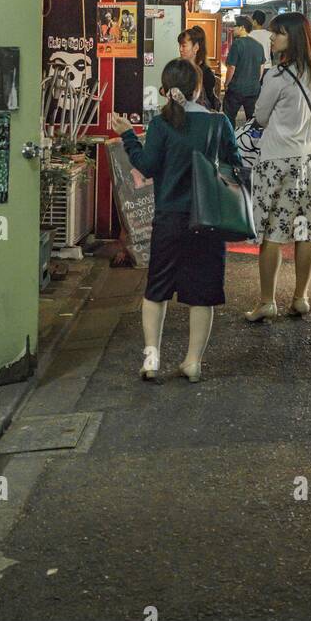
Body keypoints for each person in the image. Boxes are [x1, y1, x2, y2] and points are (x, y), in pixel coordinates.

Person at [111, 59, 241, 383]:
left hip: (169, 218)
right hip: (208, 219)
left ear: (166, 91)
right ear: (198, 88)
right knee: (201, 293)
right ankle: (193, 362)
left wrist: (128, 135)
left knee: (156, 290)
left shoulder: (161, 125)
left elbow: (147, 165)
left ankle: (151, 360)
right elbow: (234, 165)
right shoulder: (219, 122)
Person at [245, 11, 311, 321]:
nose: (272, 37)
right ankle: (301, 297)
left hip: (277, 161)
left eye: (278, 33)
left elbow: (262, 116)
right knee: (306, 230)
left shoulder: (276, 77)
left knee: (272, 233)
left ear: (291, 38)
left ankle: (267, 301)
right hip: (310, 160)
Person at [223, 15, 263, 126]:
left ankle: (231, 140)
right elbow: (261, 68)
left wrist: (226, 83)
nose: (233, 29)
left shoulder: (237, 44)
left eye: (235, 26)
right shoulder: (258, 45)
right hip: (253, 90)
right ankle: (251, 140)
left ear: (242, 28)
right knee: (252, 119)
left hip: (236, 89)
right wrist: (255, 81)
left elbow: (231, 67)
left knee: (229, 118)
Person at [178, 26, 219, 109]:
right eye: (179, 46)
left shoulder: (205, 73)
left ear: (196, 47)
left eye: (184, 46)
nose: (180, 49)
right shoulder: (179, 68)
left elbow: (209, 99)